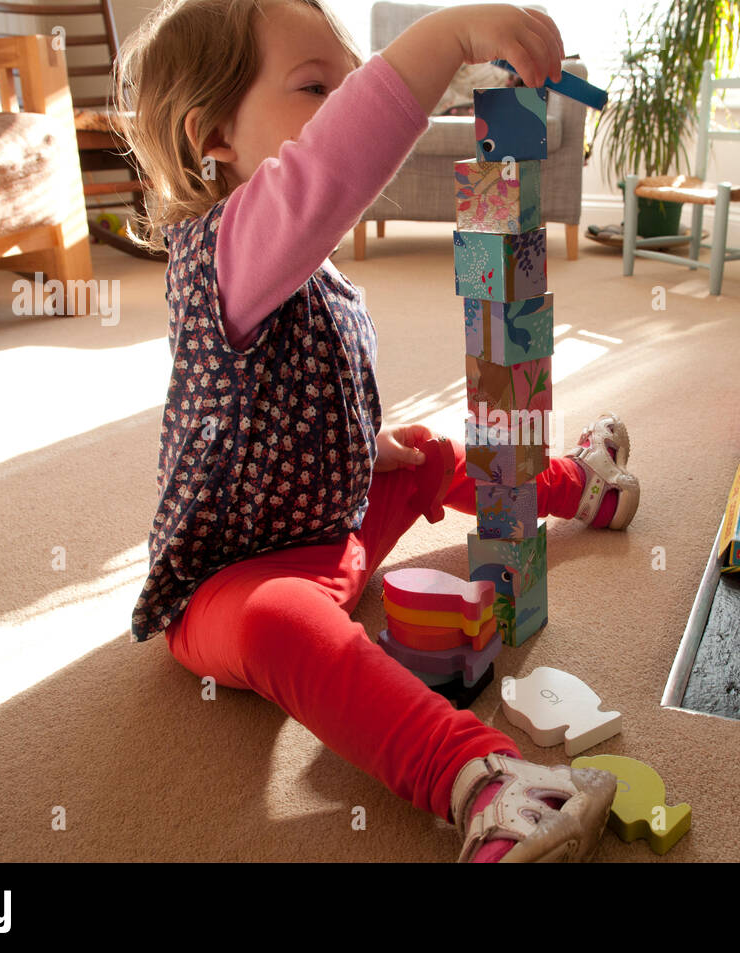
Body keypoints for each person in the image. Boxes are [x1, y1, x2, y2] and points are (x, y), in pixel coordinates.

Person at [117, 0, 640, 862]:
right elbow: (331, 167)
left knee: (430, 446)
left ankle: (577, 484)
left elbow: (316, 393)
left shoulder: (310, 269)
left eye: (348, 81)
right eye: (317, 86)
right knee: (281, 618)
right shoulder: (220, 252)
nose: (346, 101)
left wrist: (373, 445)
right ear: (211, 136)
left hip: (331, 527)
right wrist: (447, 38)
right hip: (228, 584)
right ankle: (484, 781)